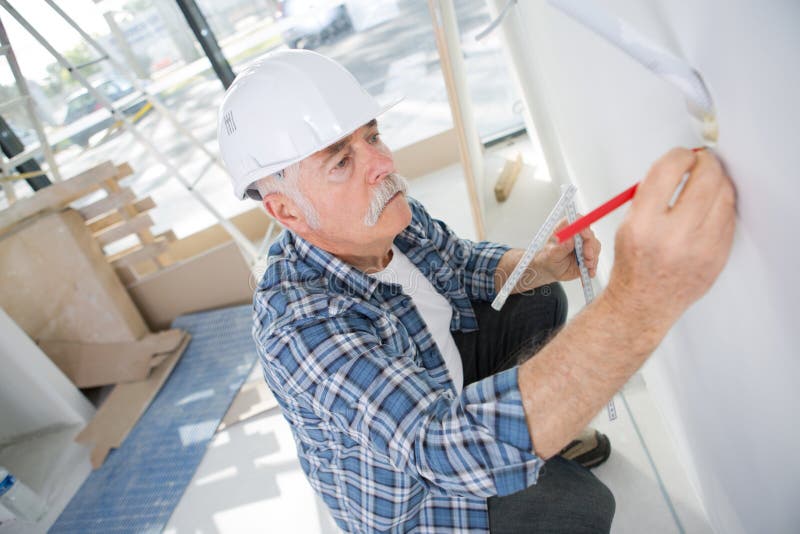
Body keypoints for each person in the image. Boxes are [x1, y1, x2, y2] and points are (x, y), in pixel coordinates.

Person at [217, 50, 736, 533]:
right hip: (419, 499)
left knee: (537, 296)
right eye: (340, 162)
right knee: (581, 507)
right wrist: (640, 299)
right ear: (285, 212)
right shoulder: (302, 325)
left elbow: (461, 264)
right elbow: (438, 445)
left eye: (371, 137)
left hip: (436, 381)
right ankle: (523, 440)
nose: (382, 164)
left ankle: (529, 435)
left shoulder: (389, 216)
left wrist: (541, 264)